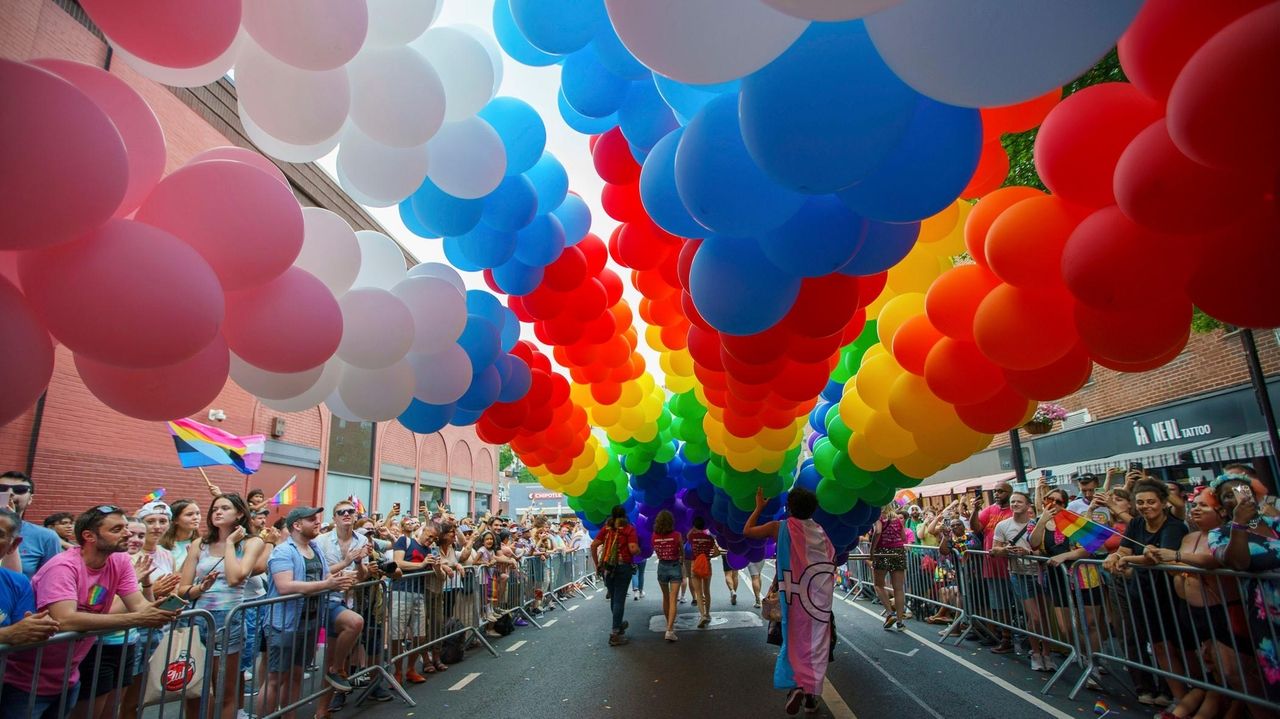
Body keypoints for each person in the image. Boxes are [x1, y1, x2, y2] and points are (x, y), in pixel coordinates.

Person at [1, 505, 179, 719]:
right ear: (89, 536)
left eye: (126, 527)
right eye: (117, 529)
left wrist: (161, 611)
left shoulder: (120, 560)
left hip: (68, 675)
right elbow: (65, 619)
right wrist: (139, 618)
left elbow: (140, 606)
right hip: (26, 680)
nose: (128, 533)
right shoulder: (64, 566)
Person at [258, 507, 355, 719]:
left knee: (295, 676)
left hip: (310, 621)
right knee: (275, 678)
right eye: (311, 519)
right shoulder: (283, 551)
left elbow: (326, 575)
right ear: (297, 525)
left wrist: (338, 581)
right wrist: (327, 583)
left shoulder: (315, 549)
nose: (317, 522)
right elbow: (285, 586)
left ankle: (289, 716)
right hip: (283, 623)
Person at [1144, 487, 1233, 718]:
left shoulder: (1229, 534)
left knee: (1230, 673)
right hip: (1190, 611)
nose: (1196, 509)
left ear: (1222, 511)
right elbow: (1176, 570)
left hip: (1219, 611)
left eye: (1203, 505)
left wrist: (1175, 557)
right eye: (1196, 505)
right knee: (1209, 670)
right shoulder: (1190, 537)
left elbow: (1217, 560)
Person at [744, 486, 833, 716]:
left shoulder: (779, 527)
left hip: (792, 599)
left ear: (789, 507)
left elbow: (748, 531)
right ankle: (810, 695)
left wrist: (759, 508)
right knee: (816, 646)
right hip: (817, 601)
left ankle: (797, 687)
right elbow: (829, 561)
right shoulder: (820, 532)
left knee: (794, 642)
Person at [177, 493, 267, 719]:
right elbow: (182, 588)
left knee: (224, 690)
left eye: (225, 508)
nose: (217, 512)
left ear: (239, 514)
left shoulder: (252, 543)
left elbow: (236, 577)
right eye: (215, 508)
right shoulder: (199, 544)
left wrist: (229, 544)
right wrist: (200, 589)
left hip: (228, 620)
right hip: (196, 618)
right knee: (194, 687)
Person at [1103, 480, 1192, 703]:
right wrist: (1113, 556)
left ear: (1163, 503)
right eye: (1141, 502)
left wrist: (1125, 558)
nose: (1145, 506)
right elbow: (1123, 548)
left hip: (1169, 593)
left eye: (1151, 501)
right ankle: (1177, 697)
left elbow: (1159, 556)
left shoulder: (1174, 525)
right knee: (1159, 646)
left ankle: (1183, 694)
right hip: (1141, 591)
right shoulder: (1136, 524)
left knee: (1177, 646)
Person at [313, 499, 369, 710]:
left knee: (331, 657)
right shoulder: (320, 541)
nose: (346, 514)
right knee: (354, 624)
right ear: (334, 518)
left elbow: (363, 576)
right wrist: (345, 563)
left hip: (348, 601)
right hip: (323, 600)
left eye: (350, 511)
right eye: (341, 512)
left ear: (355, 516)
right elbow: (318, 574)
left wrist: (357, 562)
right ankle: (337, 670)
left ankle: (321, 710)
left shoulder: (362, 539)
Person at [991, 491, 1053, 672]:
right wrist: (1006, 550)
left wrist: (1030, 553)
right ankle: (1035, 652)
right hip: (1019, 574)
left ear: (1028, 506)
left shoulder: (1040, 524)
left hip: (1042, 574)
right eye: (1012, 502)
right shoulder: (1002, 526)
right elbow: (994, 550)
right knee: (1033, 616)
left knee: (1044, 616)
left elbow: (1048, 550)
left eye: (1019, 501)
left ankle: (1047, 654)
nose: (1015, 504)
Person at [0, 507, 60, 662]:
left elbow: (24, 632)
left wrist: (39, 627)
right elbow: (14, 633)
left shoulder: (17, 583)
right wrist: (7, 634)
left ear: (13, 545)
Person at [970, 483, 1015, 654]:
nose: (997, 494)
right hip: (992, 565)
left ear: (1010, 493)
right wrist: (975, 510)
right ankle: (1006, 638)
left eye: (1001, 491)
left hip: (1014, 566)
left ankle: (1032, 640)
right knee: (1000, 605)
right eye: (995, 491)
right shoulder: (989, 510)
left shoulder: (1015, 511)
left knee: (1021, 605)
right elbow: (976, 528)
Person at [590, 506, 639, 646]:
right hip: (623, 567)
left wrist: (597, 564)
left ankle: (618, 624)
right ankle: (615, 633)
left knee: (614, 597)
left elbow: (594, 545)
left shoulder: (606, 529)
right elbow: (633, 549)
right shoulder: (629, 529)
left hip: (607, 568)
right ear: (625, 515)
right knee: (619, 599)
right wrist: (638, 549)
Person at [0, 471, 63, 578]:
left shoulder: (46, 537)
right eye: (2, 489)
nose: (10, 493)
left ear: (30, 499)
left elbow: (50, 579)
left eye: (20, 490)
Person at [870, 503, 908, 632]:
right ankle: (900, 621)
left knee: (878, 585)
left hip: (882, 551)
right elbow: (903, 537)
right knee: (898, 588)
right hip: (898, 551)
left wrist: (872, 549)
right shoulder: (897, 518)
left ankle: (889, 613)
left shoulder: (878, 516)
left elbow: (878, 531)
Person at [649, 509, 684, 642]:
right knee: (673, 598)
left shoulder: (654, 536)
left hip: (662, 567)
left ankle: (668, 623)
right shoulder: (677, 535)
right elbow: (681, 551)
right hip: (675, 566)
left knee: (665, 597)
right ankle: (669, 629)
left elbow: (657, 552)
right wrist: (681, 561)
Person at [160, 499, 201, 570]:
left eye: (198, 513)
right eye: (189, 514)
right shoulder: (161, 546)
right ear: (175, 520)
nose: (195, 517)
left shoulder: (202, 544)